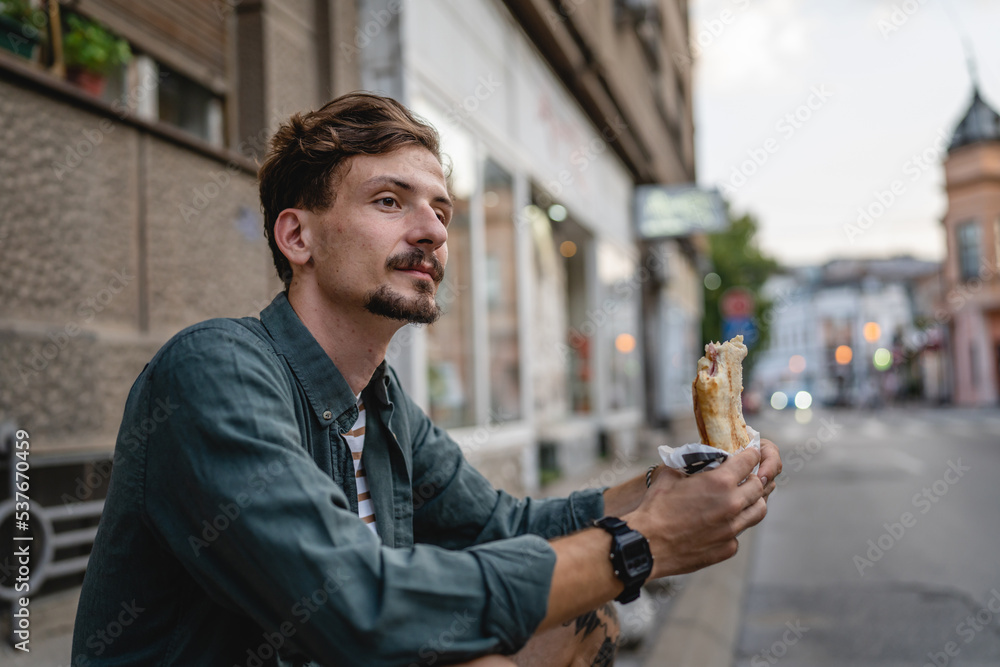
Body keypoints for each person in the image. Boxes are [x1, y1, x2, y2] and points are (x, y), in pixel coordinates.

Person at [72, 92, 781, 666]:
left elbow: (507, 525)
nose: (434, 231)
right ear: (299, 238)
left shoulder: (382, 405)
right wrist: (641, 543)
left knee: (582, 623)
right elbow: (356, 605)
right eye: (390, 201)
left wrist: (667, 489)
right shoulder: (214, 369)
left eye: (441, 210)